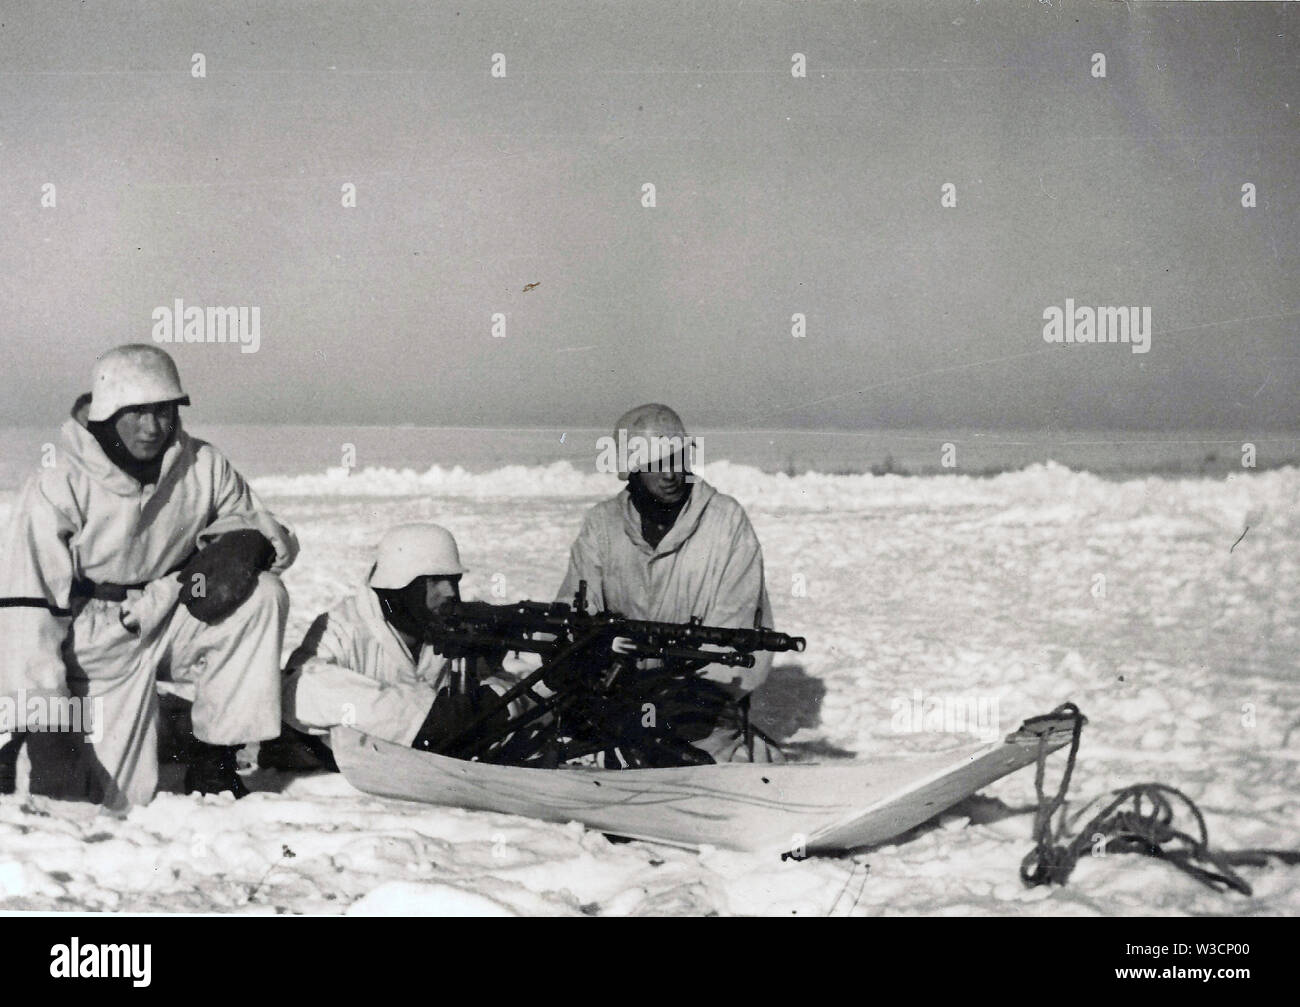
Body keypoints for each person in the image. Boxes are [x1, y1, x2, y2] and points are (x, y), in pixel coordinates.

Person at [0, 344, 297, 807]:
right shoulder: (57, 484)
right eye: (136, 412)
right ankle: (17, 741)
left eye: (163, 411)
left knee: (262, 596)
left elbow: (260, 524)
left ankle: (214, 754)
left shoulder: (202, 464)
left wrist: (247, 542)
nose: (152, 427)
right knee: (104, 802)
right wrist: (46, 730)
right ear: (107, 411)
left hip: (171, 607)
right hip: (94, 642)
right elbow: (27, 613)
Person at [557, 403, 780, 762]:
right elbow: (576, 610)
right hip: (616, 692)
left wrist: (678, 683)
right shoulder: (602, 525)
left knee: (701, 760)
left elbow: (735, 627)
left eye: (676, 459)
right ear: (631, 471)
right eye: (656, 464)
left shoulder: (726, 522)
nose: (671, 474)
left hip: (699, 701)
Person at [278, 523, 520, 758]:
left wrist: (498, 701)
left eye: (454, 579)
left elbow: (506, 683)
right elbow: (300, 687)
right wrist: (423, 717)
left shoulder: (454, 625)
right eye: (434, 580)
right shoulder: (343, 625)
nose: (450, 592)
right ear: (397, 586)